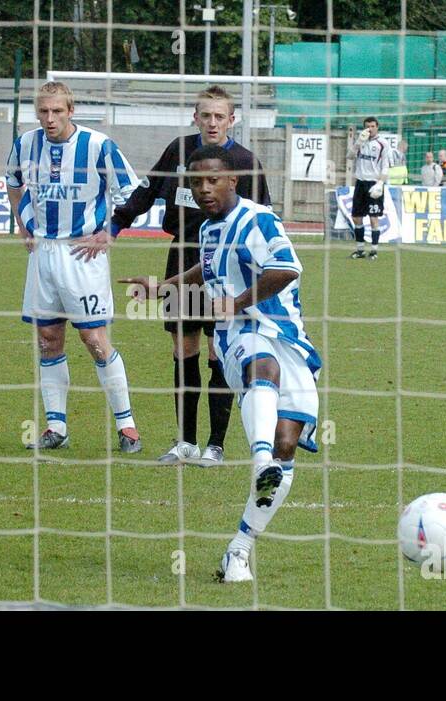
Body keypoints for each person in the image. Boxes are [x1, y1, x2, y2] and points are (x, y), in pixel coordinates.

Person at [120, 145, 320, 583]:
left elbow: (286, 269)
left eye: (213, 180)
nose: (204, 189)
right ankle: (259, 457)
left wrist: (239, 300)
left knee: (289, 442)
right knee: (260, 369)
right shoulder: (209, 229)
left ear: (233, 180)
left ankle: (240, 549)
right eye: (196, 182)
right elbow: (204, 269)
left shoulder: (258, 219)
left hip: (289, 339)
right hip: (239, 337)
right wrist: (163, 287)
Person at [109, 85, 269, 466]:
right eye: (205, 115)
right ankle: (185, 442)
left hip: (228, 265)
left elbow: (263, 217)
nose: (212, 122)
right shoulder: (177, 151)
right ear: (194, 117)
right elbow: (146, 191)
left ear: (232, 120)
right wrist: (115, 225)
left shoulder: (245, 161)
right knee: (184, 349)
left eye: (219, 116)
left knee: (219, 353)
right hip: (182, 256)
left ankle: (216, 445)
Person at [6, 81, 143, 454]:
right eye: (44, 111)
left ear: (71, 110)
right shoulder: (25, 144)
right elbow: (14, 182)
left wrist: (110, 232)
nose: (50, 119)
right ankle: (56, 427)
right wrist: (22, 223)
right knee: (48, 339)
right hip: (43, 254)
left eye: (57, 111)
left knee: (95, 341)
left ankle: (127, 426)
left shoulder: (98, 146)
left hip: (83, 255)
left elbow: (132, 193)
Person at [348, 116, 389, 260]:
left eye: (372, 126)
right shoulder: (361, 141)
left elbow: (385, 166)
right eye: (367, 126)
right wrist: (358, 142)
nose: (370, 129)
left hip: (374, 184)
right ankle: (360, 250)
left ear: (377, 127)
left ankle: (374, 251)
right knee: (356, 217)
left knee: (374, 219)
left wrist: (380, 183)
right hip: (360, 182)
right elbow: (349, 156)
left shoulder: (382, 143)